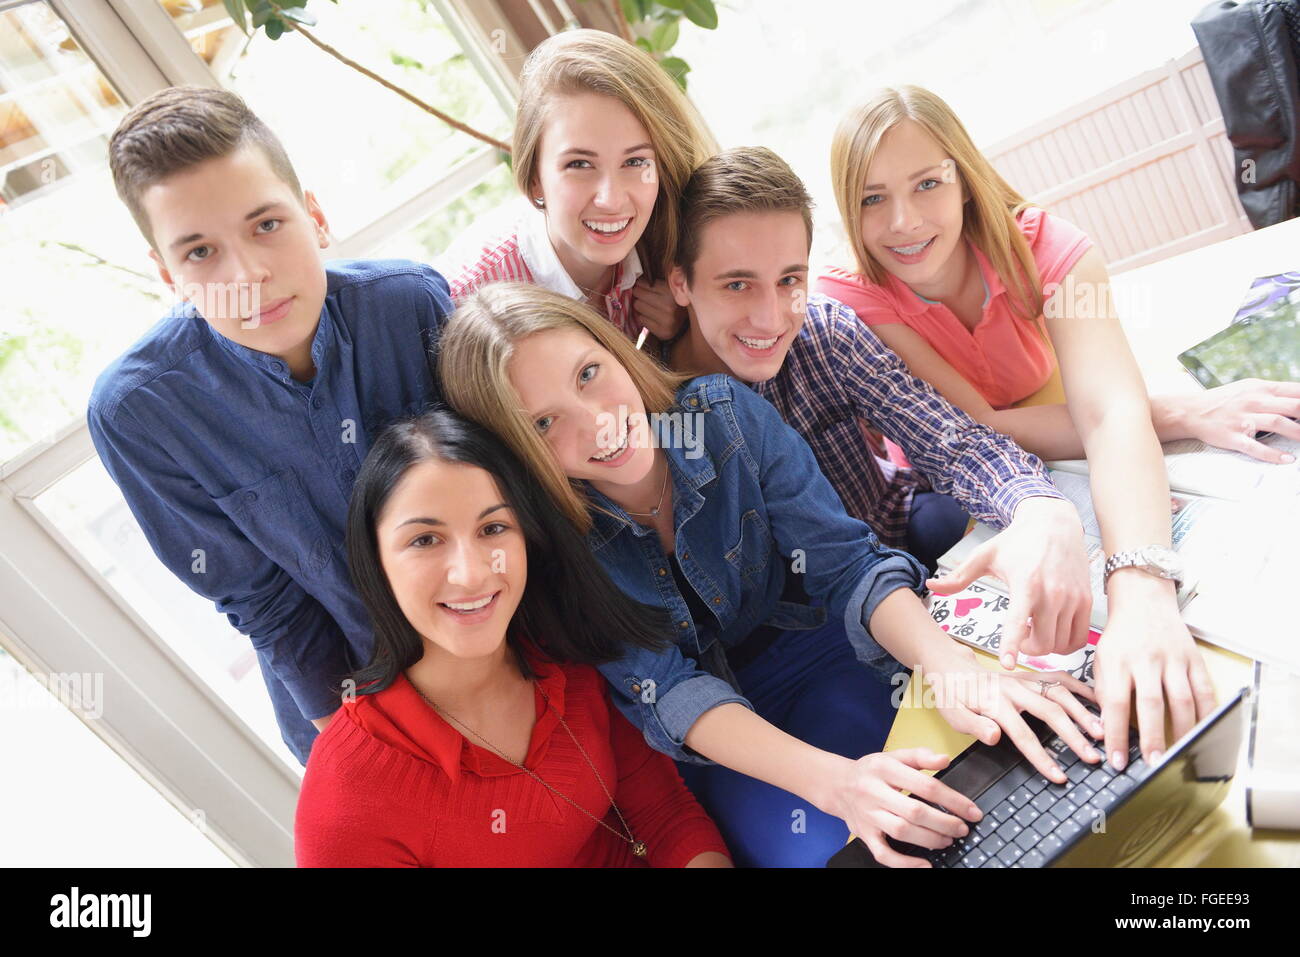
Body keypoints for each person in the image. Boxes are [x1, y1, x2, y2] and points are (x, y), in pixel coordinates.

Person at [438, 282, 1101, 868]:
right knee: (840, 850)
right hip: (726, 737)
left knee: (988, 765)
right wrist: (839, 784)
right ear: (517, 451)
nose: (598, 421)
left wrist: (950, 666)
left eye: (588, 374)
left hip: (826, 651)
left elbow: (847, 563)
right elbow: (671, 693)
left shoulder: (720, 414)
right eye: (545, 422)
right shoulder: (552, 550)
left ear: (615, 350)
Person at [818, 86, 1256, 771]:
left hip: (1062, 437)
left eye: (927, 183)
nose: (903, 222)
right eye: (872, 198)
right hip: (964, 485)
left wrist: (1142, 590)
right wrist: (1177, 412)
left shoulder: (1048, 247)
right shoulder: (854, 297)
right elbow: (984, 427)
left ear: (963, 175)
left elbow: (1108, 409)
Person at [87, 86, 451, 765]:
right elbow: (267, 606)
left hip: (521, 649)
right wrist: (378, 756)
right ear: (168, 275)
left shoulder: (410, 305)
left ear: (315, 216)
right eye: (199, 253)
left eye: (266, 225)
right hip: (353, 710)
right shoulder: (138, 414)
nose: (247, 275)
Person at [661, 147, 1095, 668]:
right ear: (680, 282)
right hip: (795, 624)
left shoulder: (824, 331)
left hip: (895, 525)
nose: (771, 318)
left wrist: (1038, 509)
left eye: (788, 280)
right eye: (737, 284)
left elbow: (952, 441)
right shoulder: (659, 410)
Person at [294, 408, 731, 867]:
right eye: (425, 540)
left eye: (493, 528)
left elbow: (665, 818)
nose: (470, 574)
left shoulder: (570, 651)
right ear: (376, 562)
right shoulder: (348, 795)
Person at [440, 28, 716, 345]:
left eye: (635, 161)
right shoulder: (469, 307)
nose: (610, 200)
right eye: (579, 165)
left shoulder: (671, 240)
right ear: (535, 179)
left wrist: (684, 328)